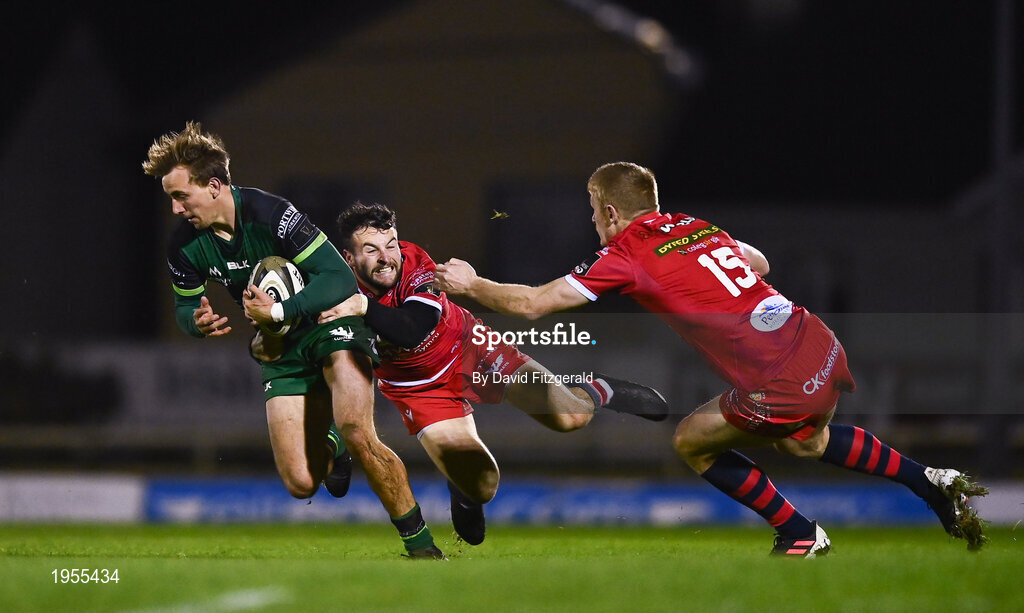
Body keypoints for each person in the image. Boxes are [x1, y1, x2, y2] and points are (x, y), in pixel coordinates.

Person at [435, 161, 988, 556]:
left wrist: (471, 283)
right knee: (806, 441)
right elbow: (760, 263)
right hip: (816, 340)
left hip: (779, 377)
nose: (593, 223)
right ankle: (931, 479)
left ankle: (798, 531)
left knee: (691, 442)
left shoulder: (626, 252)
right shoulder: (693, 226)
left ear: (608, 210)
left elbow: (532, 304)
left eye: (592, 211)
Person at [142, 122, 444, 559]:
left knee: (358, 428)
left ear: (213, 186)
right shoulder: (184, 246)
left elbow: (339, 278)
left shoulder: (271, 212)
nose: (175, 209)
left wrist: (280, 310)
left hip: (330, 323)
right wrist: (197, 322)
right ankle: (331, 446)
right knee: (301, 482)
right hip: (278, 345)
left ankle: (421, 546)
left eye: (180, 195)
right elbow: (185, 310)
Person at [313, 202, 667, 545]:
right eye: (371, 250)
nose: (387, 257)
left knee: (571, 417)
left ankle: (600, 390)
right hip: (420, 389)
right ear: (349, 259)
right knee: (483, 484)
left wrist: (363, 307)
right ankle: (463, 487)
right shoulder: (335, 287)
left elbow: (411, 329)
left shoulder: (416, 264)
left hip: (472, 349)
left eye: (390, 245)